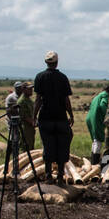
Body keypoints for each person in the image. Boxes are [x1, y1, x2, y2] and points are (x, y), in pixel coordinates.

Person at [33, 50, 73, 184]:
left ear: (46, 62)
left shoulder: (40, 77)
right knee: (62, 146)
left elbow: (38, 100)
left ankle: (49, 175)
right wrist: (71, 115)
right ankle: (61, 176)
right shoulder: (62, 77)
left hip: (45, 118)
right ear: (56, 63)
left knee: (48, 146)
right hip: (61, 117)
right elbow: (66, 99)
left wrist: (34, 116)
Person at [5, 81, 35, 153]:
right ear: (23, 89)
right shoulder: (21, 101)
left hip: (30, 127)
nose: (31, 90)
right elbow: (24, 116)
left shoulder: (28, 100)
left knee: (30, 146)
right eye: (29, 89)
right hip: (24, 127)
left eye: (32, 89)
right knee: (25, 148)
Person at [86, 85, 109, 162]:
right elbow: (103, 105)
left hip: (90, 118)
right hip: (97, 119)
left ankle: (93, 160)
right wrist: (106, 116)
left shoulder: (96, 97)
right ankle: (95, 162)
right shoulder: (105, 96)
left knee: (95, 140)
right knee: (98, 140)